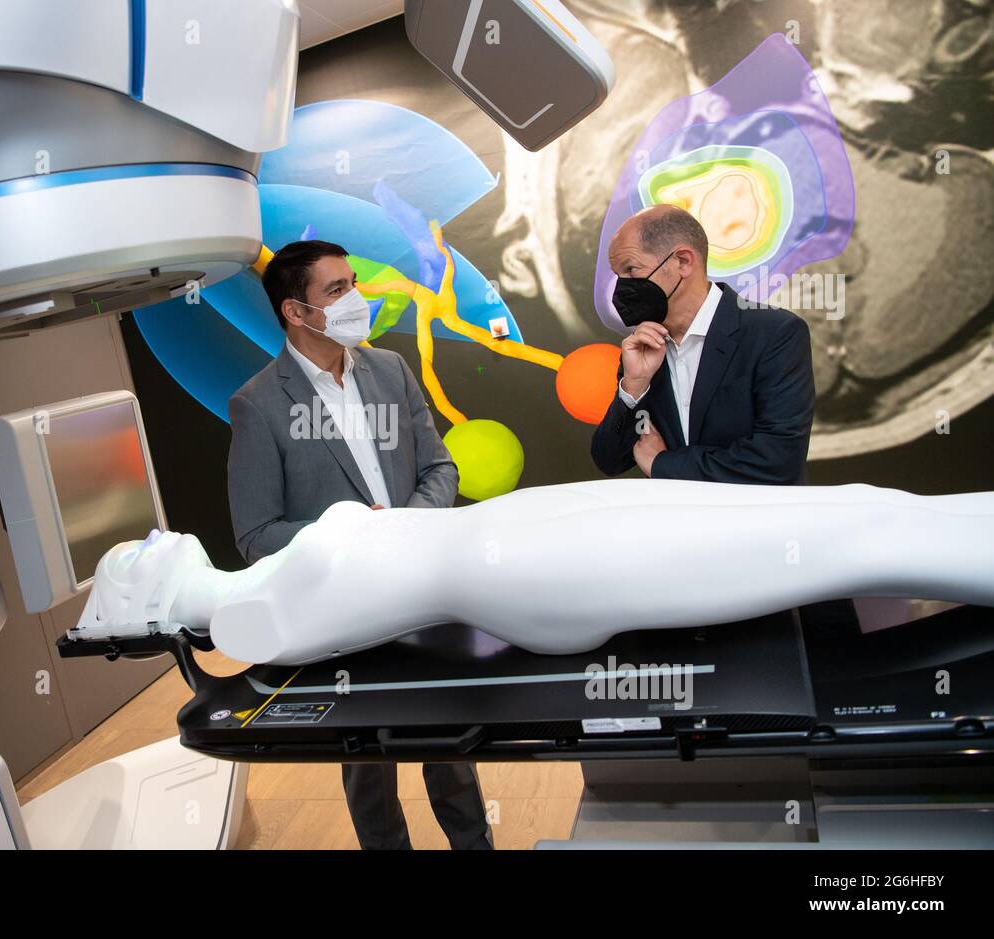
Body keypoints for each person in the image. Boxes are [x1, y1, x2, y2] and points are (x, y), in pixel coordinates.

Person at [78, 479, 994, 664]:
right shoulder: (250, 625)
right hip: (522, 574)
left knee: (844, 504)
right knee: (834, 545)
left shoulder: (260, 581)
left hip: (512, 534)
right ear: (144, 601)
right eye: (132, 559)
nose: (150, 538)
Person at [224, 239, 492, 851]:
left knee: (450, 746)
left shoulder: (391, 369)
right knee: (368, 763)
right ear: (297, 312)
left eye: (353, 282)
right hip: (341, 608)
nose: (357, 298)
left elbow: (440, 469)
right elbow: (256, 534)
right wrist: (349, 533)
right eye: (338, 290)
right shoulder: (258, 405)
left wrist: (404, 530)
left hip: (421, 587)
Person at [591, 204, 816, 484]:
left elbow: (778, 459)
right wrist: (633, 387)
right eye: (617, 275)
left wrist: (664, 465)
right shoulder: (642, 349)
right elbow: (610, 460)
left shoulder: (774, 333)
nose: (621, 288)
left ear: (683, 262)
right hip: (678, 525)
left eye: (631, 270)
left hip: (759, 523)